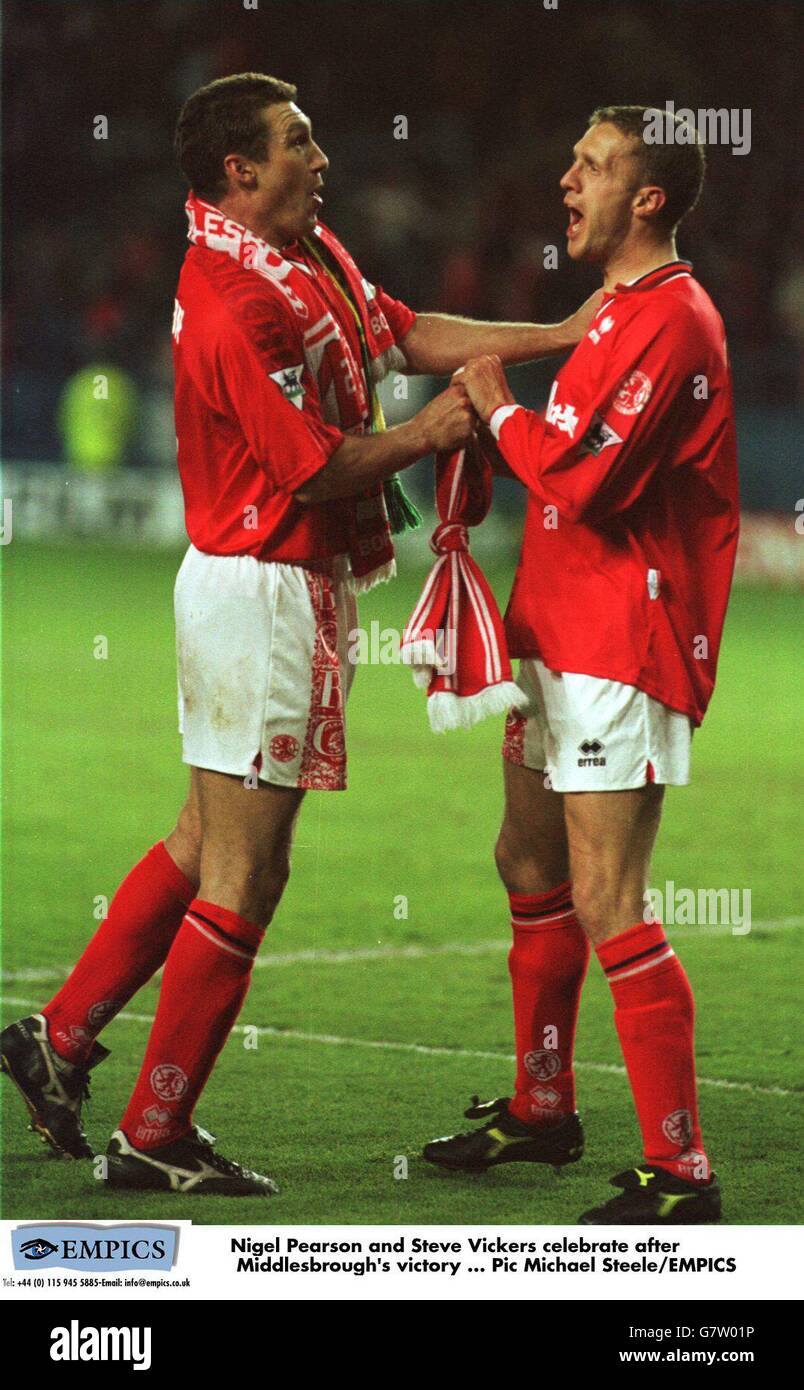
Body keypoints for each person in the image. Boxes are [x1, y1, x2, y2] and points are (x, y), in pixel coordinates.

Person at [1, 73, 597, 1196]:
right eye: (299, 141)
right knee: (248, 872)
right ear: (240, 169)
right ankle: (156, 1133)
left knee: (197, 843)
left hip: (273, 589)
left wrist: (556, 331)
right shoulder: (231, 294)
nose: (321, 157)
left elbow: (404, 329)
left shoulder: (304, 253)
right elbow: (310, 465)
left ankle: (61, 1037)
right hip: (258, 594)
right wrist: (432, 431)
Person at [423, 106, 739, 1225]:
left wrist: (498, 409)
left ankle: (680, 1172)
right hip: (554, 635)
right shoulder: (614, 317)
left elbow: (586, 483)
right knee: (526, 859)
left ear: (648, 196)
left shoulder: (674, 320)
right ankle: (542, 1106)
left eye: (593, 165)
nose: (567, 180)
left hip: (623, 643)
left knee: (610, 896)